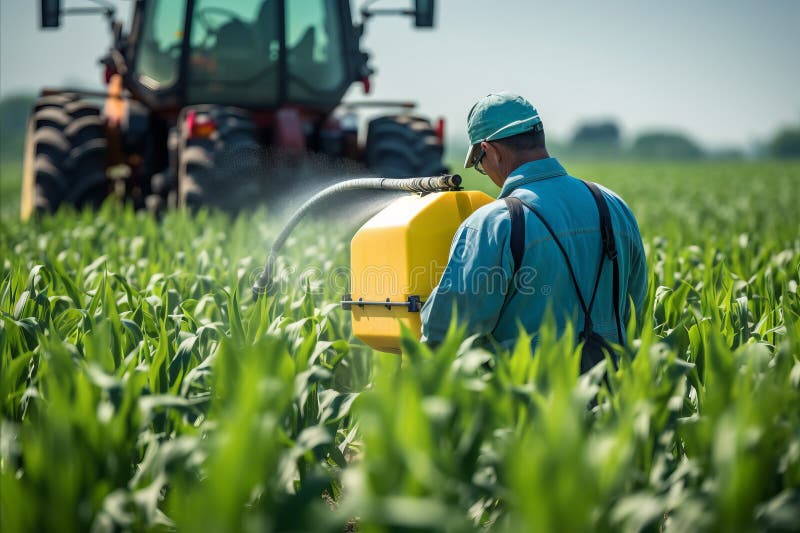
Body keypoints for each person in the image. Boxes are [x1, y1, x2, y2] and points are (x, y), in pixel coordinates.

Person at [420, 92, 647, 362]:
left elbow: (445, 332)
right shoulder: (613, 205)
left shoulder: (493, 224)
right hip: (615, 394)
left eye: (480, 164)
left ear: (489, 150)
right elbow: (635, 310)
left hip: (526, 399)